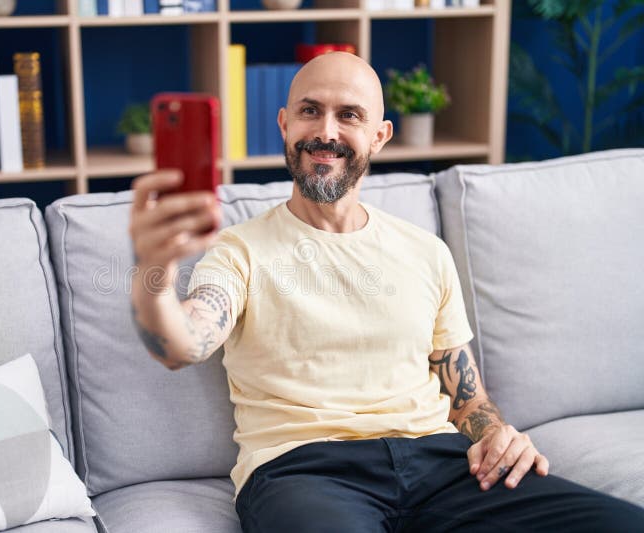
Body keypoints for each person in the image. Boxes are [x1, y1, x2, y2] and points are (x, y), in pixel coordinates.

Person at [128, 52, 643, 531]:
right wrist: (153, 268)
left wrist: (495, 434)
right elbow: (180, 344)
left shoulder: (426, 252)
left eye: (349, 115)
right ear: (285, 124)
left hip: (442, 464)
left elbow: (467, 396)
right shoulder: (238, 251)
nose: (325, 131)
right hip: (303, 471)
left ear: (380, 135)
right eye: (310, 111)